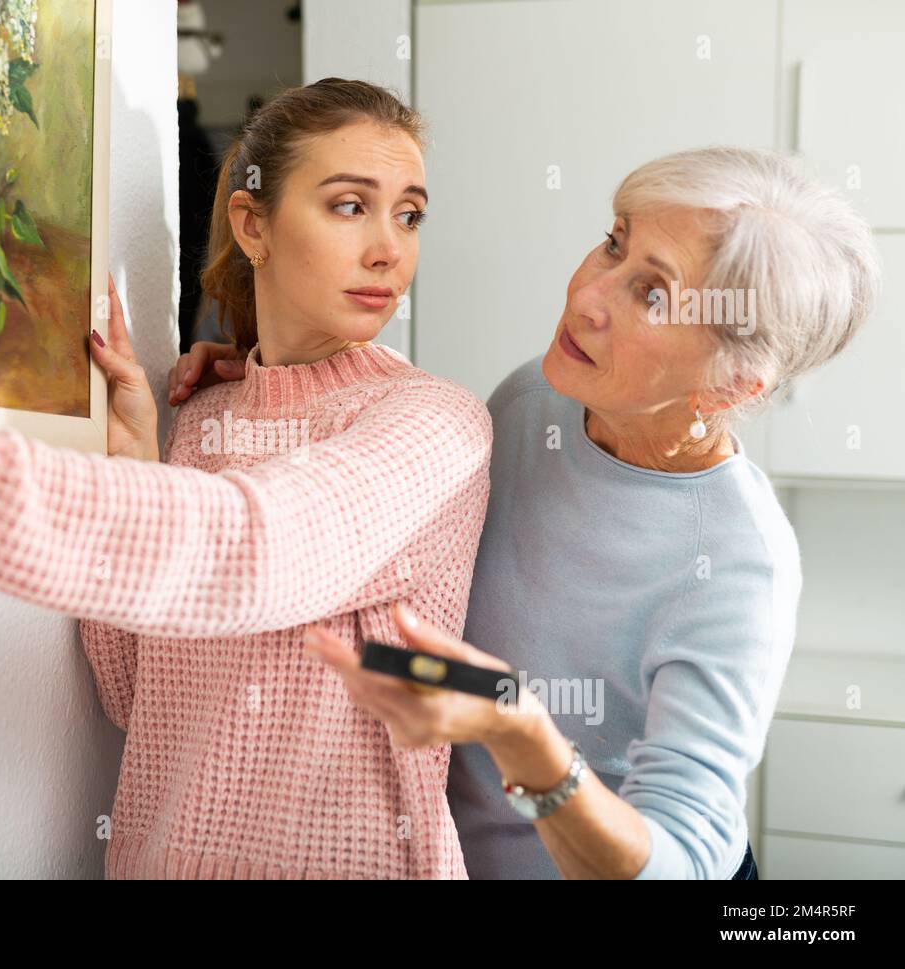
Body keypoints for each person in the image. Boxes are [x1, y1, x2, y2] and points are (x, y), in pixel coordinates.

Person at [0, 78, 493, 879]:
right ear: (253, 224)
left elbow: (256, 547)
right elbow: (142, 696)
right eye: (351, 205)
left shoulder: (436, 424)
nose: (390, 248)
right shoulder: (203, 419)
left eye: (409, 214)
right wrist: (137, 456)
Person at [173, 146, 880, 878]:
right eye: (614, 242)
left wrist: (527, 741)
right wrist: (270, 386)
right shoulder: (535, 403)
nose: (587, 297)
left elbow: (685, 860)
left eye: (653, 294)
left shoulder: (739, 564)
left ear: (730, 385)